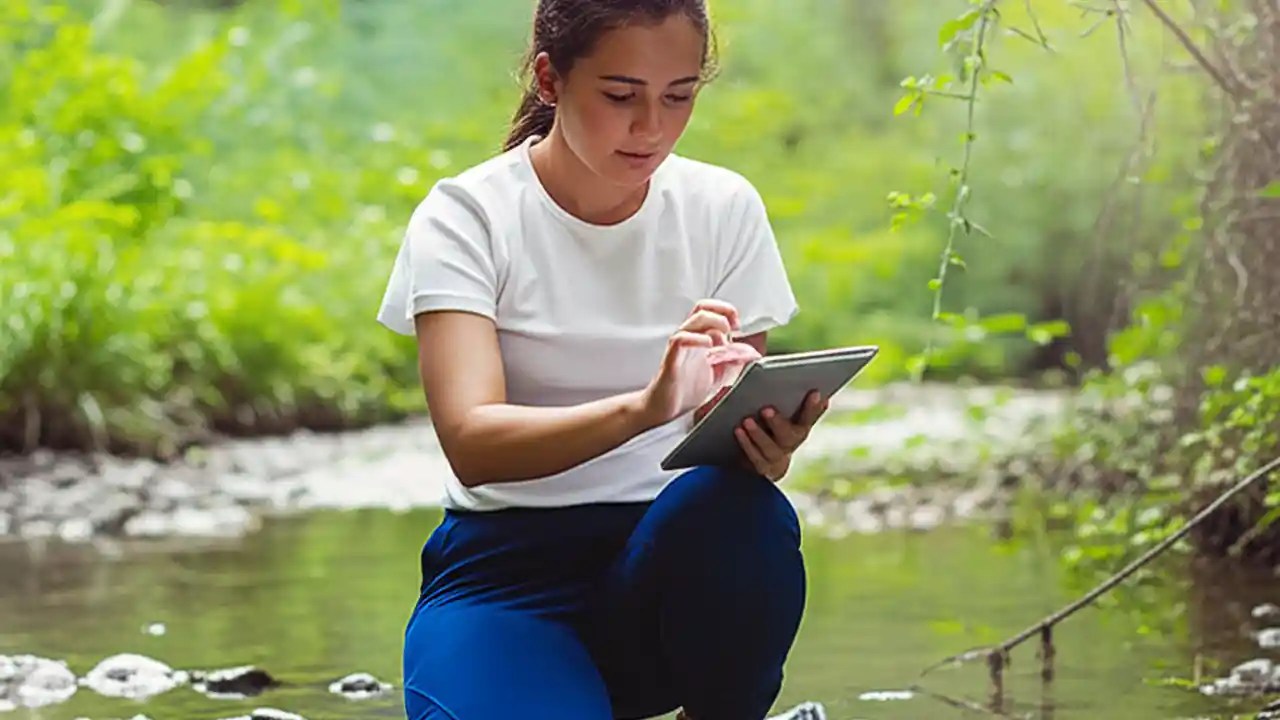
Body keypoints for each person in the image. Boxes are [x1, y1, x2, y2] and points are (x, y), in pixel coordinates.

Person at [376, 0, 830, 717]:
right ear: (551, 81)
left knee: (742, 507)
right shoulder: (469, 216)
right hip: (506, 579)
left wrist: (759, 441)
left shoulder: (722, 208)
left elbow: (724, 441)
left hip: (664, 564)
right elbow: (473, 444)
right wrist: (645, 408)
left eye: (678, 96)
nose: (652, 128)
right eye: (621, 96)